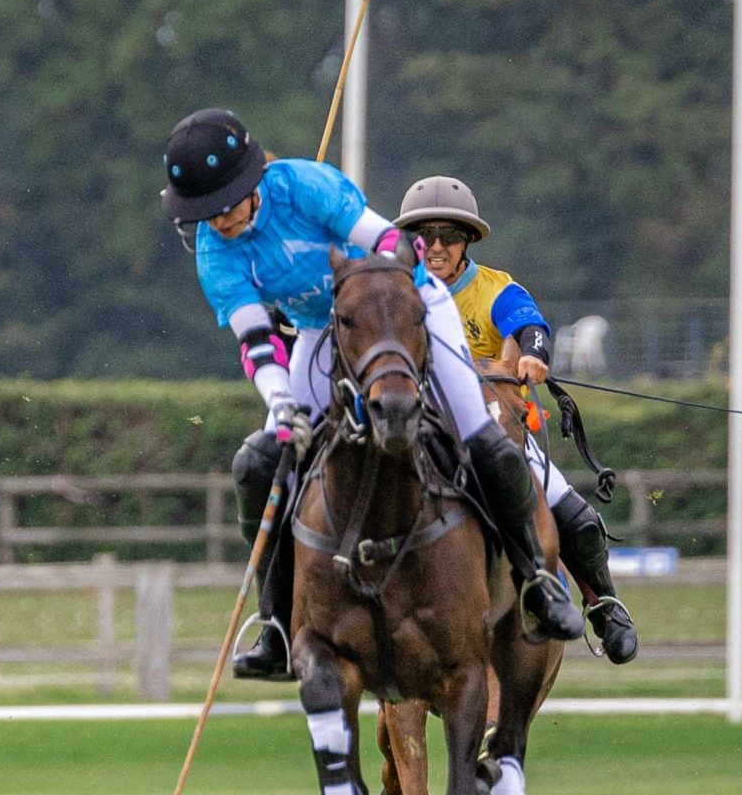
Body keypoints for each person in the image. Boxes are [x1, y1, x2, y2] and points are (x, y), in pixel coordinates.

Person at [158, 108, 583, 682]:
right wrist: (281, 402)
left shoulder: (307, 186)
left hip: (402, 308)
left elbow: (386, 240)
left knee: (483, 437)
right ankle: (276, 623)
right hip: (322, 329)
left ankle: (536, 581)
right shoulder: (215, 251)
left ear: (250, 184)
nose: (218, 222)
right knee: (261, 461)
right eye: (204, 213)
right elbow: (256, 340)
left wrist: (382, 332)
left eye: (223, 205)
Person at [395, 175, 638, 662]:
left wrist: (532, 354)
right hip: (415, 430)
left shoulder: (495, 289)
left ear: (468, 242)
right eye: (427, 236)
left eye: (451, 235)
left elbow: (529, 325)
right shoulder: (396, 289)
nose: (438, 247)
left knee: (578, 517)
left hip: (491, 429)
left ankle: (603, 604)